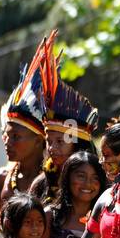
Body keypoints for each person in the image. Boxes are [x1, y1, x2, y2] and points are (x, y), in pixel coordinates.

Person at [0, 32, 52, 230]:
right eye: (6, 135)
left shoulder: (58, 180)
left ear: (39, 140)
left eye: (16, 137)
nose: (7, 141)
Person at [28, 49, 99, 204]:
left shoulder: (99, 184)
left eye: (60, 141)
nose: (52, 148)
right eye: (49, 141)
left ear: (77, 143)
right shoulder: (41, 185)